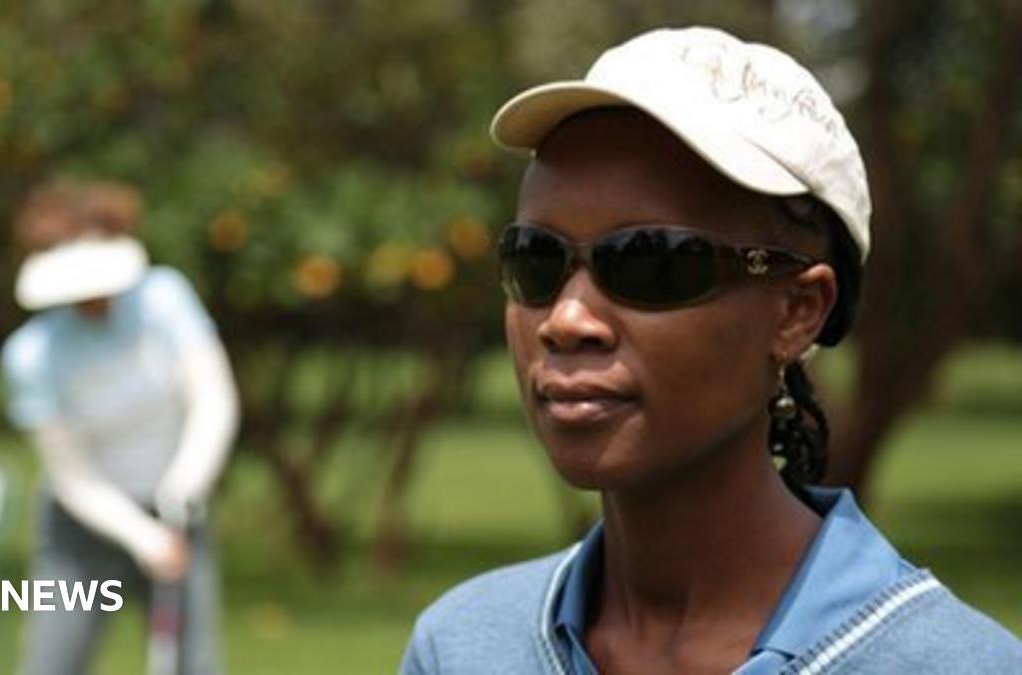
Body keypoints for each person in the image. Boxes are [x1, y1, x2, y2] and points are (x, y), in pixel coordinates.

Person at [401, 26, 1022, 674]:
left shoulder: (948, 663)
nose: (567, 317)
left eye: (651, 262)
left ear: (797, 311)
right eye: (535, 259)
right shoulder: (466, 645)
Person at [0, 181, 240, 674]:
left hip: (178, 508)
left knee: (193, 664)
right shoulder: (32, 355)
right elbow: (71, 475)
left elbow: (213, 398)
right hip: (81, 526)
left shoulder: (165, 299)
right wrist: (143, 538)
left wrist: (186, 485)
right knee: (51, 664)